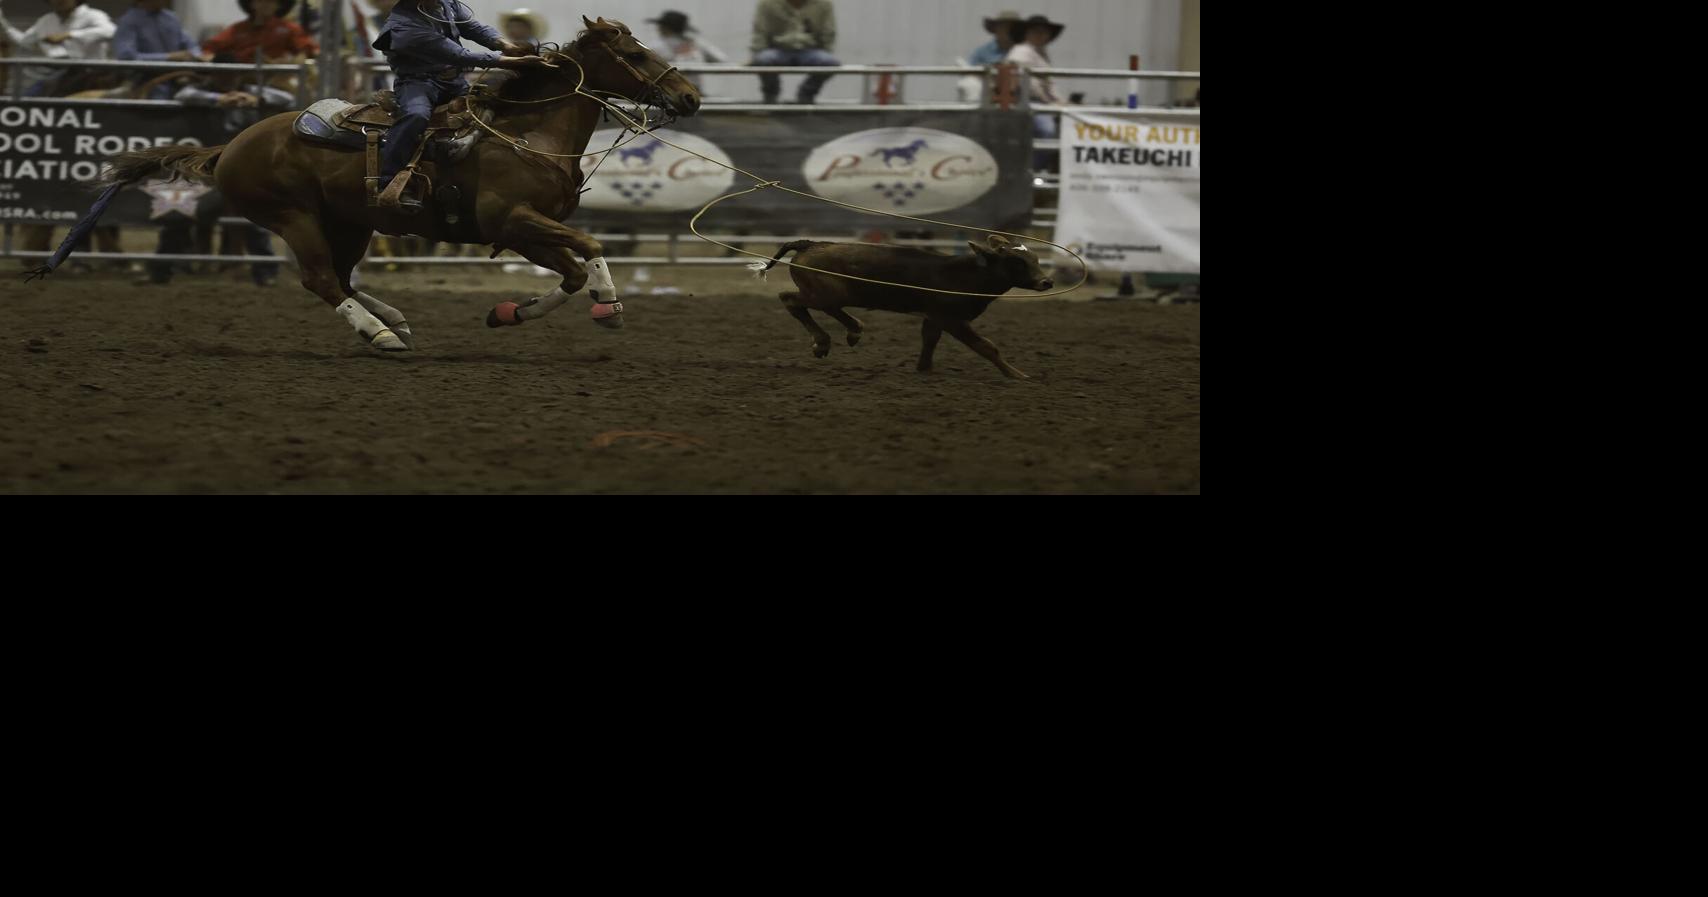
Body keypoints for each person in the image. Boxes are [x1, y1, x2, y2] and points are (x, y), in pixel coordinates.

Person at [0, 0, 116, 97]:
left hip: (90, 73)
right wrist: (2, 22)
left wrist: (70, 35)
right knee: (32, 95)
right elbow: (25, 42)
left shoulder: (94, 15)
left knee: (40, 92)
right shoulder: (46, 20)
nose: (59, 1)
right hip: (58, 72)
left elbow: (111, 31)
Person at [114, 0, 207, 97]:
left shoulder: (171, 17)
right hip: (148, 79)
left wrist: (197, 55)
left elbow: (190, 43)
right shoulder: (129, 21)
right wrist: (167, 57)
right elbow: (126, 57)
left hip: (180, 76)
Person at [750, 0, 836, 105]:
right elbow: (760, 31)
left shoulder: (823, 4)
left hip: (810, 50)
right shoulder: (767, 3)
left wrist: (826, 51)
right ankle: (771, 93)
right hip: (778, 49)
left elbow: (828, 32)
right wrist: (756, 55)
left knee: (829, 62)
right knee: (763, 59)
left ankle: (807, 93)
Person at [1004, 14, 1064, 138]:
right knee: (1047, 130)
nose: (1041, 35)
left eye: (1044, 32)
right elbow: (1027, 82)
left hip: (1039, 102)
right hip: (1026, 102)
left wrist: (1061, 101)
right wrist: (1051, 102)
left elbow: (1049, 83)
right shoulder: (1021, 51)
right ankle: (1037, 158)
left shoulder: (1040, 53)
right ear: (1027, 33)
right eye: (1036, 32)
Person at [201, 0, 317, 63]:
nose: (266, 4)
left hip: (275, 81)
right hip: (240, 81)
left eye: (272, 1)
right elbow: (210, 48)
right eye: (260, 0)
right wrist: (209, 57)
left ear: (279, 5)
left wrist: (291, 61)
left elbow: (309, 50)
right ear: (251, 3)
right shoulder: (237, 29)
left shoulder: (289, 28)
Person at [956, 9, 1019, 102]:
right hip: (987, 95)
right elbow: (970, 73)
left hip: (1017, 96)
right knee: (968, 83)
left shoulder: (1025, 51)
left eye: (1011, 28)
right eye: (1003, 27)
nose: (1007, 31)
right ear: (995, 30)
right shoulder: (982, 51)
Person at [649, 10, 724, 81]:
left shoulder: (657, 45)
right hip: (694, 89)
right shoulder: (696, 43)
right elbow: (721, 60)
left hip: (669, 89)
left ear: (666, 27)